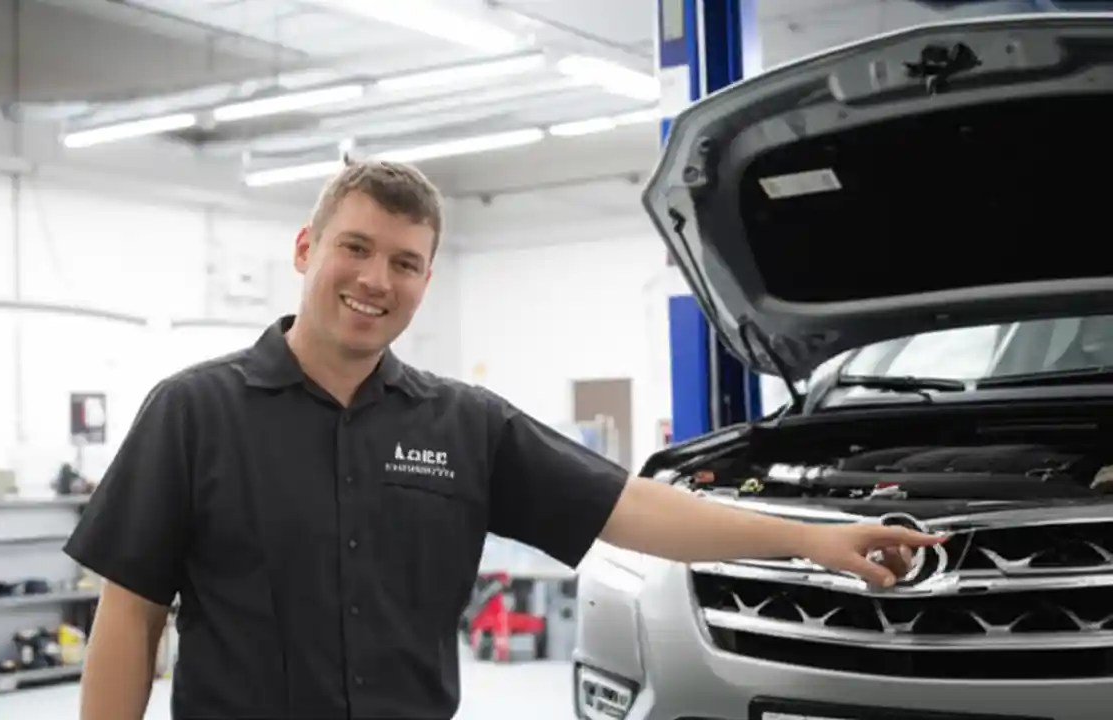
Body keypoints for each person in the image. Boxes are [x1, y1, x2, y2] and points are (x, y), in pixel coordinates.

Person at [63, 160, 942, 720]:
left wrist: (809, 538)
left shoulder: (462, 425)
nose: (376, 280)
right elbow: (130, 617)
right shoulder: (193, 411)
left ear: (427, 278)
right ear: (306, 248)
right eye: (355, 249)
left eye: (405, 263)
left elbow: (631, 508)